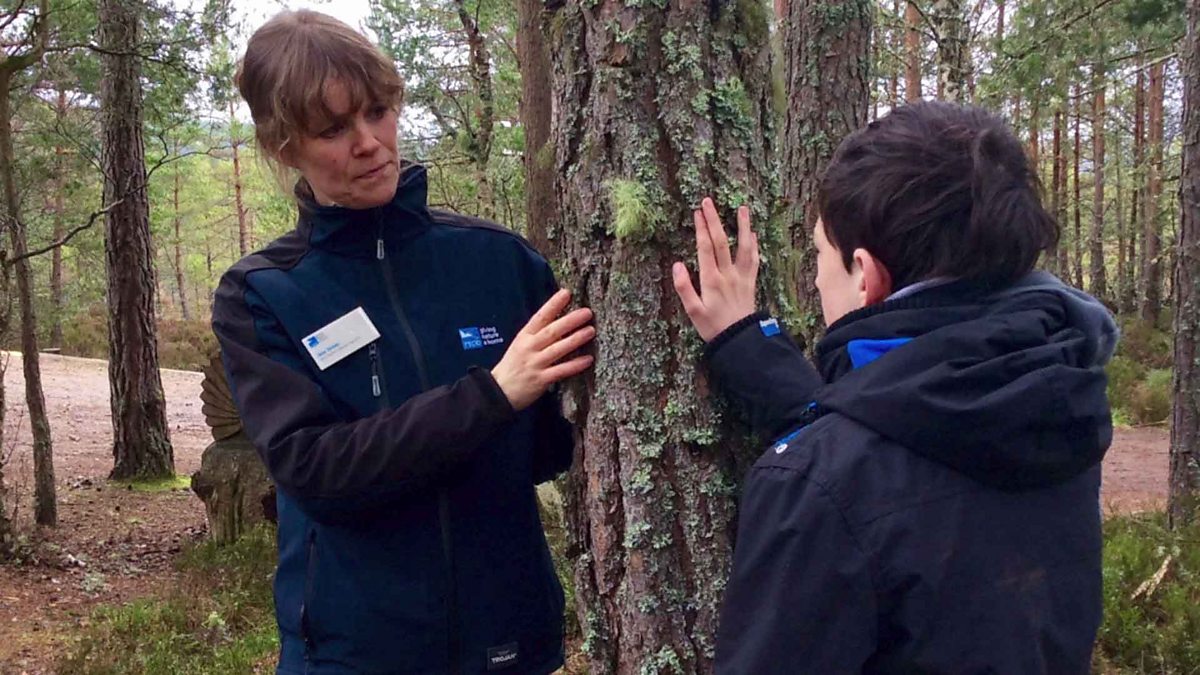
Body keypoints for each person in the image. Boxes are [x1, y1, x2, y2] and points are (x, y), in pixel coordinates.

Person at [211, 11, 594, 674]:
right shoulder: (265, 294)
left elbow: (552, 445)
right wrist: (493, 393)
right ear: (283, 146)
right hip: (354, 650)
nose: (370, 142)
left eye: (378, 111)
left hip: (507, 640)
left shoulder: (499, 262)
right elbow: (317, 473)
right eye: (333, 128)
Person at [673, 101, 1116, 673]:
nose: (814, 275)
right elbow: (911, 446)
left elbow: (869, 477)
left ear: (866, 274)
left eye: (819, 254)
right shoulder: (1059, 401)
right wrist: (747, 348)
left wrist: (807, 465)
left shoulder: (815, 484)